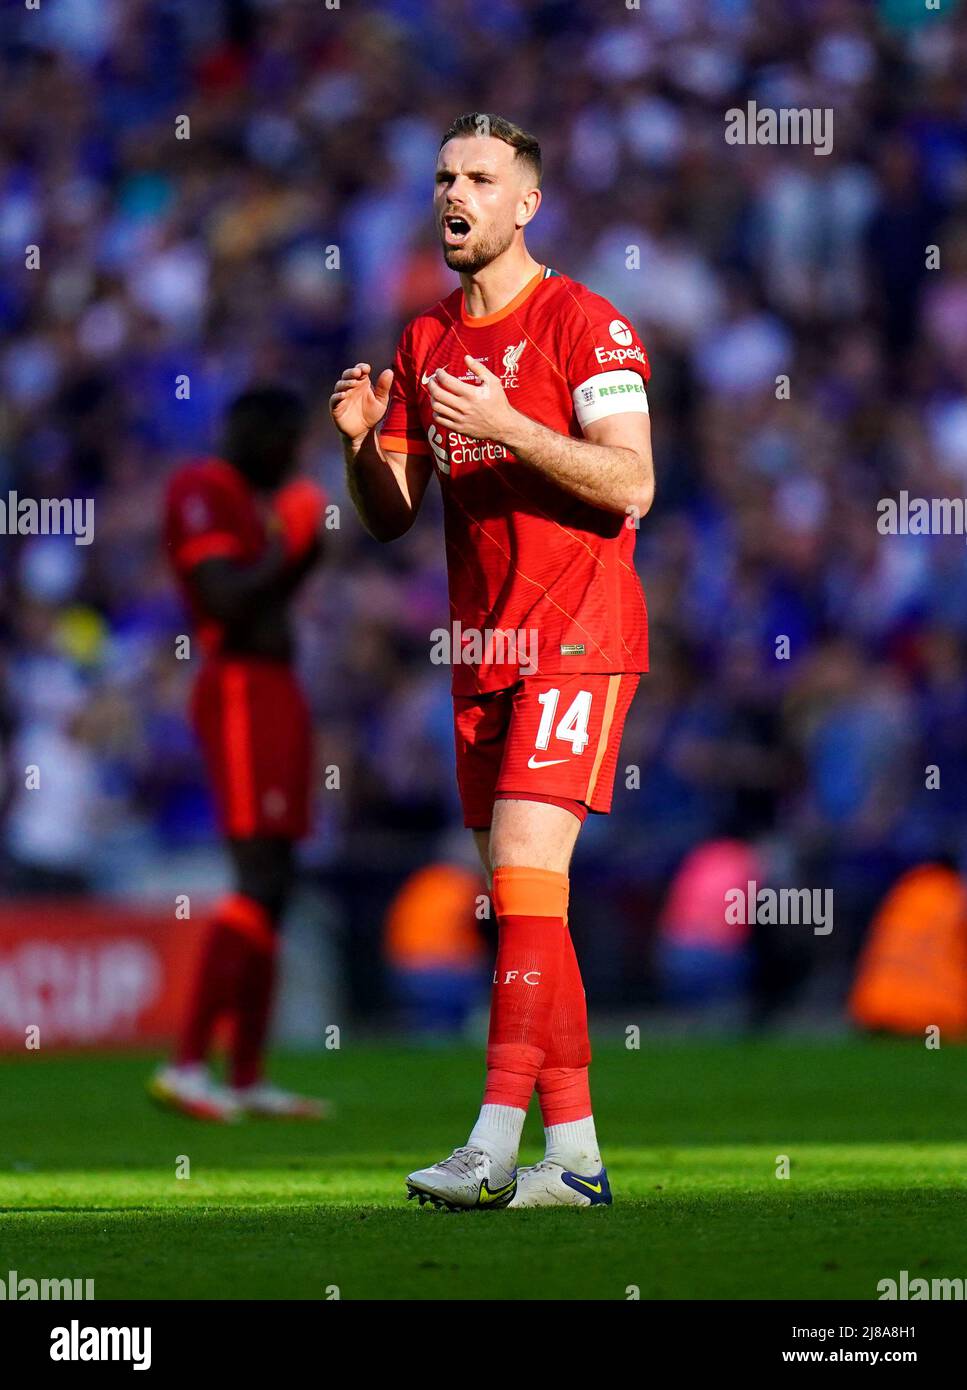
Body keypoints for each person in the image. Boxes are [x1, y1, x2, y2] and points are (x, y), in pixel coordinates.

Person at [330, 113, 654, 1207]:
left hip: (577, 634)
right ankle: (576, 1162)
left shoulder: (588, 326)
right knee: (527, 904)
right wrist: (360, 444)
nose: (452, 191)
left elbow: (631, 483)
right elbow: (390, 515)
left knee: (525, 873)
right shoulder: (424, 342)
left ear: (527, 202)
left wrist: (511, 426)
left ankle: (490, 1143)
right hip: (482, 651)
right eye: (441, 176)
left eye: (478, 176)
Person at [149, 387, 329, 1122]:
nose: (292, 459)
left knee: (278, 877)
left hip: (276, 691)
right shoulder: (205, 487)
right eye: (287, 441)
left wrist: (296, 555)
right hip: (240, 691)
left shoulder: (249, 499)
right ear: (256, 433)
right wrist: (295, 554)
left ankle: (247, 1074)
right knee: (256, 871)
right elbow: (223, 600)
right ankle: (188, 1062)